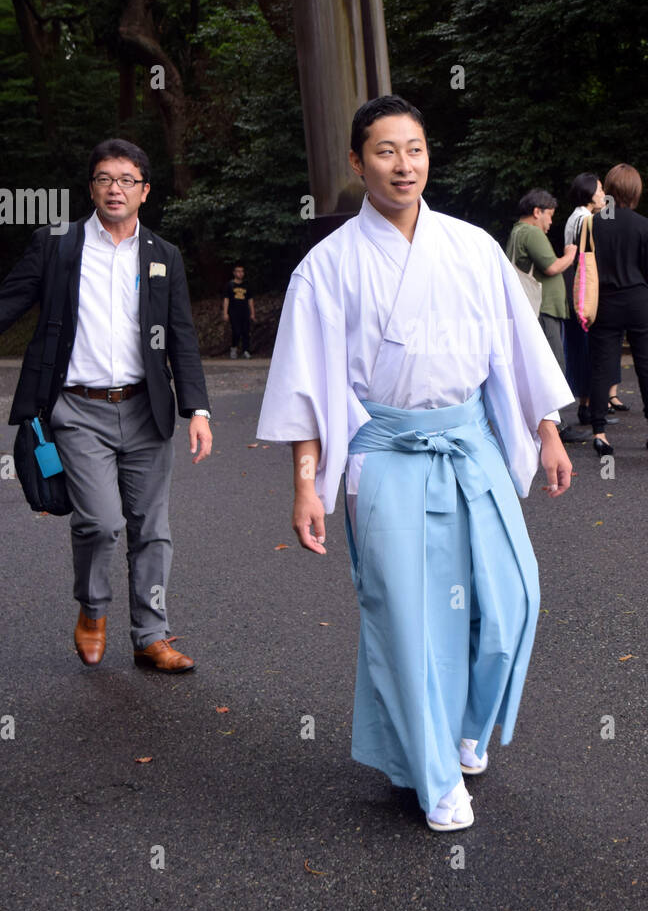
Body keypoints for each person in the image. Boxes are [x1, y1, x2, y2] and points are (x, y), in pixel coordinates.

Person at [257, 95, 574, 832]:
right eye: (386, 151)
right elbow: (309, 388)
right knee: (407, 621)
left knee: (510, 601)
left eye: (416, 148)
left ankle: (466, 725)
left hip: (470, 445)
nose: (404, 165)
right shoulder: (326, 267)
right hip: (386, 455)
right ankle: (434, 775)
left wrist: (547, 429)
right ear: (356, 161)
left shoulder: (469, 248)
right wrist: (308, 485)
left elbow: (515, 349)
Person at [0, 138, 212, 670]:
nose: (114, 189)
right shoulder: (58, 245)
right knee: (100, 521)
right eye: (103, 178)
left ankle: (151, 636)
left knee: (152, 529)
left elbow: (182, 336)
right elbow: (9, 301)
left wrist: (199, 409)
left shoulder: (164, 256)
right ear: (91, 187)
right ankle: (93, 610)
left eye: (126, 180)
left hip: (146, 409)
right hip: (77, 409)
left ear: (144, 191)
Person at [589, 163, 648, 456]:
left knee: (602, 364)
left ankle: (599, 432)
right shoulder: (643, 225)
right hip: (637, 300)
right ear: (635, 190)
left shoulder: (595, 224)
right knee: (645, 363)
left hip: (606, 301)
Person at [563, 174, 627, 425]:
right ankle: (590, 408)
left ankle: (587, 404)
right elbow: (591, 259)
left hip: (573, 288)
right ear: (589, 193)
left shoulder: (574, 217)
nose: (604, 195)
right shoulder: (587, 219)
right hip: (585, 291)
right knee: (591, 349)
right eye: (600, 190)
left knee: (582, 348)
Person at [506, 190, 576, 374]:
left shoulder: (517, 230)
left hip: (534, 309)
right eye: (550, 215)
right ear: (537, 212)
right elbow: (552, 267)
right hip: (543, 309)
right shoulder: (531, 232)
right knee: (553, 367)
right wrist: (570, 255)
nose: (551, 222)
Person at [222, 263, 256, 359]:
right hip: (234, 312)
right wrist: (225, 313)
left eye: (242, 271)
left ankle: (246, 350)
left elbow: (250, 299)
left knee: (246, 331)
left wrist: (252, 312)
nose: (240, 273)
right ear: (234, 273)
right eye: (238, 271)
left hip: (245, 311)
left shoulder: (246, 285)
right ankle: (233, 348)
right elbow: (226, 299)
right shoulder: (230, 285)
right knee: (236, 331)